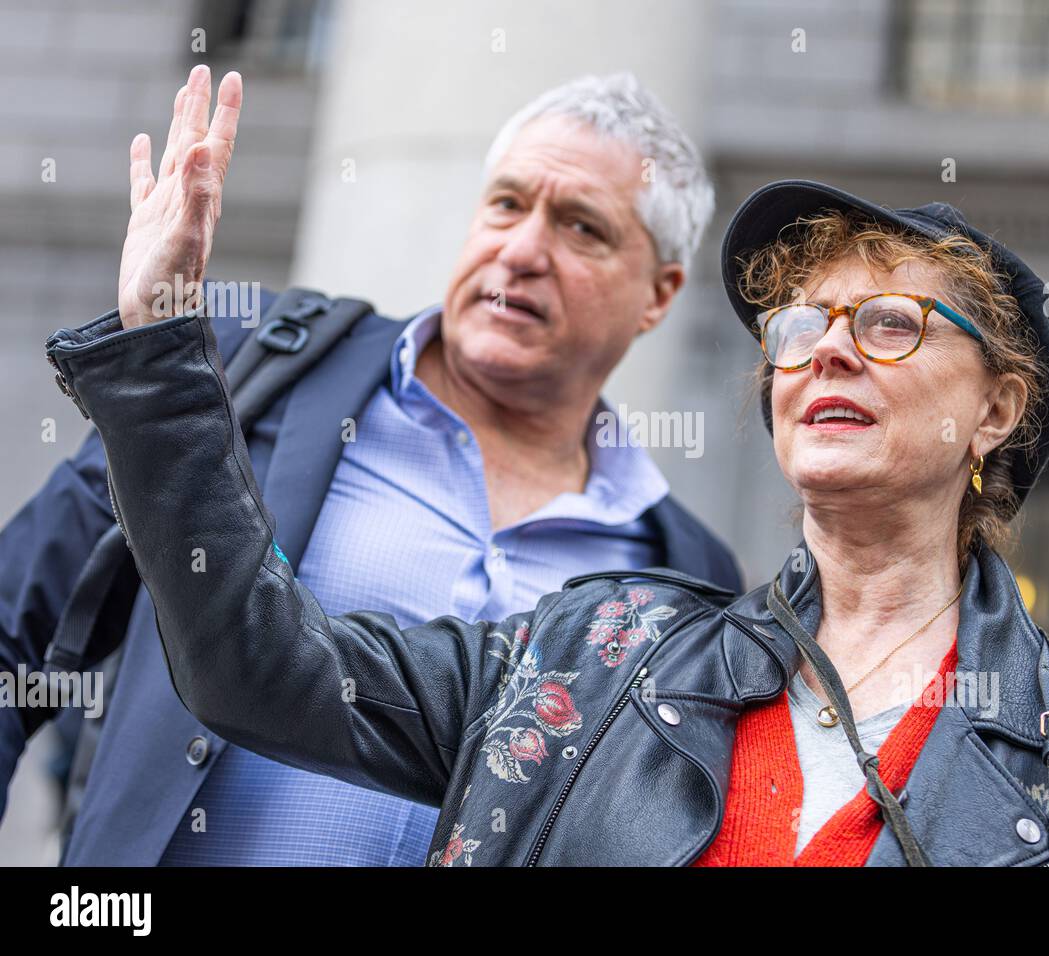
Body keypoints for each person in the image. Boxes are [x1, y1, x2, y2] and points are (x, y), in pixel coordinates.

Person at [46, 178, 1049, 866]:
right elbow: (260, 666)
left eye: (890, 322)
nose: (827, 347)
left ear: (997, 407)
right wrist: (160, 358)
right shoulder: (594, 651)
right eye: (801, 326)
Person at [2, 67, 741, 865]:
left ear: (659, 294)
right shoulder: (250, 381)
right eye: (506, 203)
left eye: (582, 228)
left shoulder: (681, 577)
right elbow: (16, 625)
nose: (523, 250)